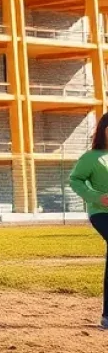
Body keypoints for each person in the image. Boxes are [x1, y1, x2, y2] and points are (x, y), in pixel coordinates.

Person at [69, 111, 108, 329]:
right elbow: (75, 180)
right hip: (101, 213)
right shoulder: (91, 158)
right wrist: (96, 197)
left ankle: (107, 316)